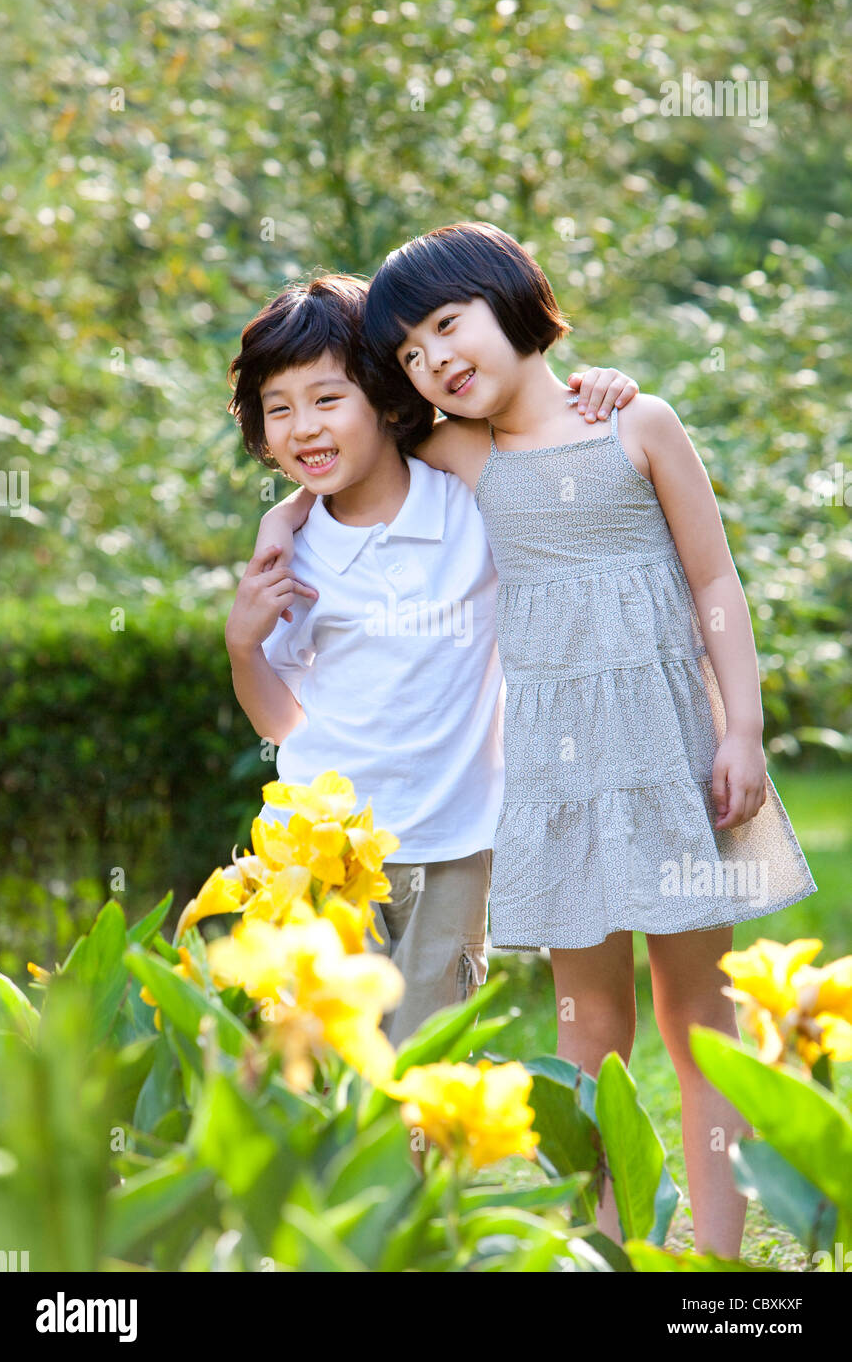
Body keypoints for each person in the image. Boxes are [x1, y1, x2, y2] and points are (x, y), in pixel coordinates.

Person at [360, 221, 816, 1258]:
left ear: (514, 296)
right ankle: (607, 1245)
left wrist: (739, 729)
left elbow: (713, 582)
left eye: (447, 323)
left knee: (698, 1013)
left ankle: (716, 1260)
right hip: (559, 775)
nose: (436, 359)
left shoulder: (636, 423)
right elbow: (344, 427)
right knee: (587, 1025)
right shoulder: (457, 449)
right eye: (413, 354)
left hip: (671, 756)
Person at [224, 271, 640, 1048]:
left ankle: (416, 1175)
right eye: (278, 410)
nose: (303, 427)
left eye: (326, 399)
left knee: (422, 1051)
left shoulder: (467, 503)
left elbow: (543, 434)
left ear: (386, 397)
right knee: (320, 1053)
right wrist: (244, 645)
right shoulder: (293, 554)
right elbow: (282, 721)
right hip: (321, 838)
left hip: (449, 845)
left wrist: (605, 388)